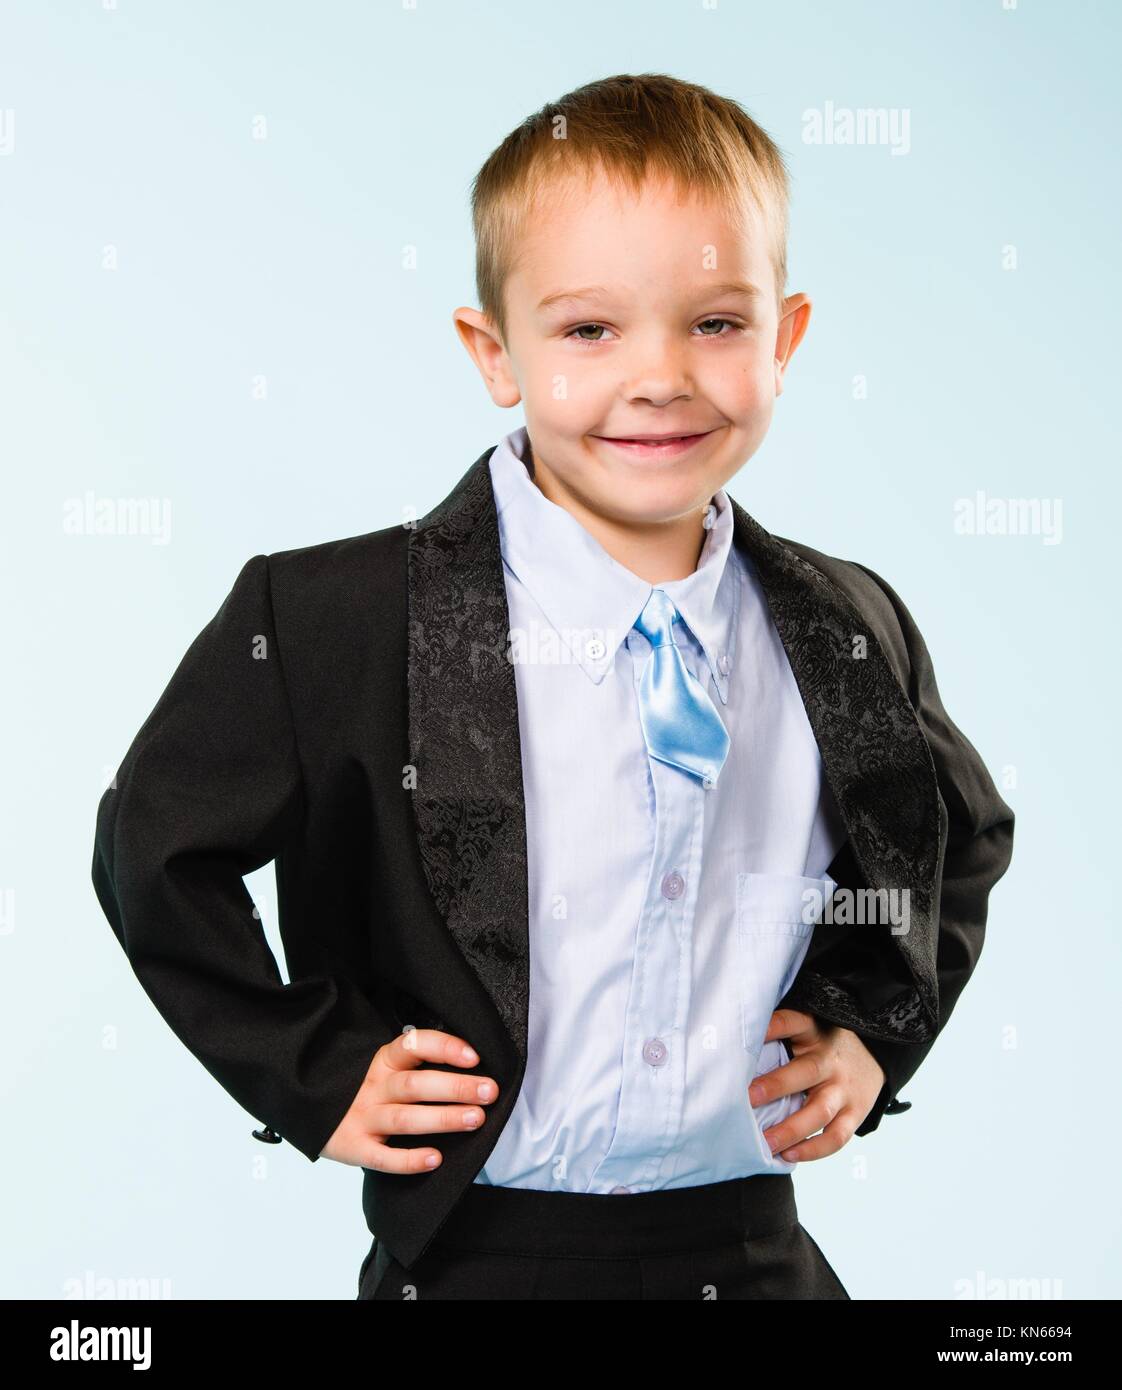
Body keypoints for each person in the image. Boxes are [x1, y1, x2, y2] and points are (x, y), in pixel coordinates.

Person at [92, 73, 1015, 1300]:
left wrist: (868, 1030)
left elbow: (954, 839)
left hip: (750, 1253)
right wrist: (315, 1067)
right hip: (477, 1257)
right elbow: (155, 851)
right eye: (590, 329)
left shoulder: (848, 623)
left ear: (785, 339)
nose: (661, 375)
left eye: (716, 323)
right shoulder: (335, 617)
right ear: (496, 352)